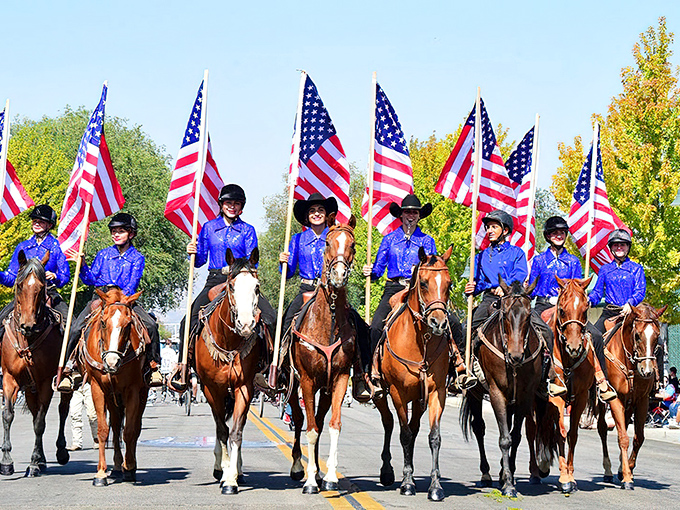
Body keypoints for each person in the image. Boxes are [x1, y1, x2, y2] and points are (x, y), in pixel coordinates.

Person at [363, 194, 471, 395]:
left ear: (419, 216)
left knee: (454, 323)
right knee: (376, 325)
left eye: (414, 212)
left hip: (421, 291)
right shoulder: (389, 240)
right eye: (407, 212)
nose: (410, 215)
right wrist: (371, 272)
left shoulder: (427, 241)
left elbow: (435, 267)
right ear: (401, 215)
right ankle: (371, 374)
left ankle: (458, 370)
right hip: (394, 288)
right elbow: (378, 271)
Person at [174, 184, 276, 388]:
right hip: (214, 280)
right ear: (221, 204)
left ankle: (265, 368)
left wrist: (241, 276)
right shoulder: (209, 228)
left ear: (241, 207)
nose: (232, 206)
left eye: (236, 203)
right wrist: (192, 251)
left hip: (240, 281)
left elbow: (252, 261)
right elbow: (200, 259)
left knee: (271, 318)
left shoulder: (248, 230)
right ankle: (184, 367)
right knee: (188, 320)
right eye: (228, 202)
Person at [278, 193, 370, 401]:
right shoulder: (298, 239)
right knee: (284, 324)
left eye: (320, 210)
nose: (316, 213)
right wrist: (283, 263)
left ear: (327, 216)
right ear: (306, 216)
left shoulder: (335, 236)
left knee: (361, 327)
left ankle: (362, 376)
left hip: (333, 292)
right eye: (312, 211)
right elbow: (289, 271)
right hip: (306, 290)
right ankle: (281, 372)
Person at [464, 209, 565, 396]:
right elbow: (476, 280)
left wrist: (507, 286)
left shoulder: (517, 253)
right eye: (487, 227)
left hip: (515, 300)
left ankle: (547, 378)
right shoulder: (481, 256)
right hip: (490, 299)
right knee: (467, 328)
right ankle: (464, 370)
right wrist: (472, 288)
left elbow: (520, 274)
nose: (489, 230)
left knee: (545, 331)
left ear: (505, 230)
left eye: (494, 227)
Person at [58, 212, 162, 392]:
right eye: (114, 231)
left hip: (124, 300)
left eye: (121, 231)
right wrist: (82, 265)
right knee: (75, 328)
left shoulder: (137, 257)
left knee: (151, 326)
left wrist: (119, 300)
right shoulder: (103, 254)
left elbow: (132, 283)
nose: (116, 234)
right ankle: (70, 366)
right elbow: (91, 279)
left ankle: (153, 366)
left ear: (131, 233)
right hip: (101, 298)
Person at [529, 216, 615, 401]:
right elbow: (532, 288)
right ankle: (539, 377)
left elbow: (578, 287)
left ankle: (602, 381)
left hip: (569, 309)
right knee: (531, 333)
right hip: (544, 304)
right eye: (554, 233)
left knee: (597, 336)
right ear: (548, 236)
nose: (558, 236)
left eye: (561, 233)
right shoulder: (539, 260)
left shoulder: (574, 261)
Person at [588, 229, 650, 385]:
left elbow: (640, 291)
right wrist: (589, 300)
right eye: (616, 245)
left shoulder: (636, 269)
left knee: (656, 341)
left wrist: (630, 303)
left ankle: (655, 383)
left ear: (628, 247)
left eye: (622, 245)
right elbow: (596, 292)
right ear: (611, 248)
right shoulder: (604, 270)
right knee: (591, 338)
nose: (619, 248)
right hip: (609, 313)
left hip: (631, 313)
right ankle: (597, 380)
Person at [0, 205, 70, 338]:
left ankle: (69, 358)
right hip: (24, 294)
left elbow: (65, 276)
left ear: (49, 225)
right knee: (0, 322)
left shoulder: (57, 247)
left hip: (49, 292)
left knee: (71, 327)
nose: (36, 223)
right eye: (35, 220)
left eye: (41, 221)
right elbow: (11, 278)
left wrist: (55, 276)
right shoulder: (22, 246)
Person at [68, 381, 98, 451]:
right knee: (75, 414)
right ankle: (76, 442)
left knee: (92, 415)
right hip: (75, 385)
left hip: (89, 384)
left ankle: (97, 439)